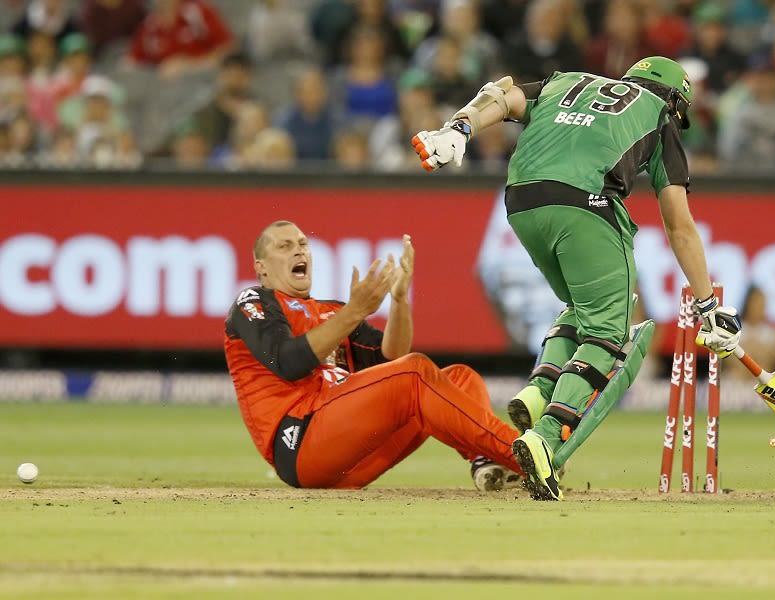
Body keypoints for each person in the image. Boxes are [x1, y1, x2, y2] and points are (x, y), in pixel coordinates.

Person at [411, 56, 743, 501]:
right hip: (586, 202)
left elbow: (503, 97)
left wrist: (460, 128)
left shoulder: (565, 81)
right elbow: (679, 225)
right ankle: (547, 436)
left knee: (582, 309)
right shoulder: (659, 114)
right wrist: (708, 306)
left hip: (522, 201)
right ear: (674, 99)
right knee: (609, 330)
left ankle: (538, 391)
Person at [224, 221, 523, 492]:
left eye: (302, 243)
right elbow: (287, 362)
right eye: (284, 246)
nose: (298, 250)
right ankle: (522, 454)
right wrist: (355, 312)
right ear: (262, 267)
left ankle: (488, 463)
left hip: (351, 454)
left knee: (459, 379)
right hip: (301, 444)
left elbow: (391, 359)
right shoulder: (254, 301)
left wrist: (399, 300)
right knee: (416, 372)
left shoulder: (332, 311)